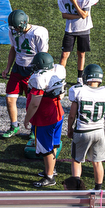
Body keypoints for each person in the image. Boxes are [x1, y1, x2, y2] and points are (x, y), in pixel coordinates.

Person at [66, 64, 105, 190]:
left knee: (77, 160)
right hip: (99, 132)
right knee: (97, 162)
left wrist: (70, 128)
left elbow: (71, 115)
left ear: (86, 77)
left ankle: (76, 189)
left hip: (82, 131)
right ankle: (98, 189)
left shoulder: (78, 90)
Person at [2, 9, 49, 138]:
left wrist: (38, 74)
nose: (15, 30)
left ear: (23, 23)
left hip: (32, 70)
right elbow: (13, 49)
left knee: (32, 102)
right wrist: (7, 68)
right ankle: (14, 126)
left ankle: (34, 128)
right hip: (18, 68)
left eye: (17, 28)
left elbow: (43, 56)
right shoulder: (13, 30)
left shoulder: (38, 33)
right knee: (10, 98)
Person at [24, 52, 67, 187]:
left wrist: (27, 118)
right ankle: (51, 169)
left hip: (45, 118)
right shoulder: (58, 71)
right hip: (58, 113)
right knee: (54, 144)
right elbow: (62, 94)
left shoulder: (39, 78)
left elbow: (35, 103)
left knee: (46, 148)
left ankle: (49, 177)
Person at [57, 0, 99, 83]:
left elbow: (84, 15)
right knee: (64, 54)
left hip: (83, 28)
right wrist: (78, 16)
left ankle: (80, 77)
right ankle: (59, 78)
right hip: (70, 29)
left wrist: (74, 3)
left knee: (81, 53)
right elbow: (64, 15)